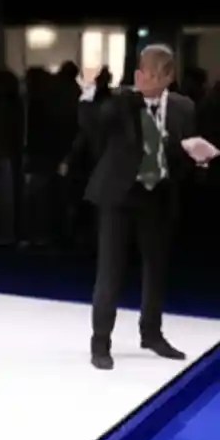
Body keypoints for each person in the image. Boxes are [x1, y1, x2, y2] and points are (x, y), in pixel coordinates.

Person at [85, 45, 214, 370]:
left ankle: (151, 333)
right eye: (145, 72)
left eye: (158, 74)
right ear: (138, 71)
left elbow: (179, 150)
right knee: (110, 270)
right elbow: (94, 127)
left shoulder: (184, 107)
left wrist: (196, 160)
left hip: (158, 195)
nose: (150, 79)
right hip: (119, 194)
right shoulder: (122, 101)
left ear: (170, 76)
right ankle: (101, 341)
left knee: (156, 269)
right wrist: (92, 92)